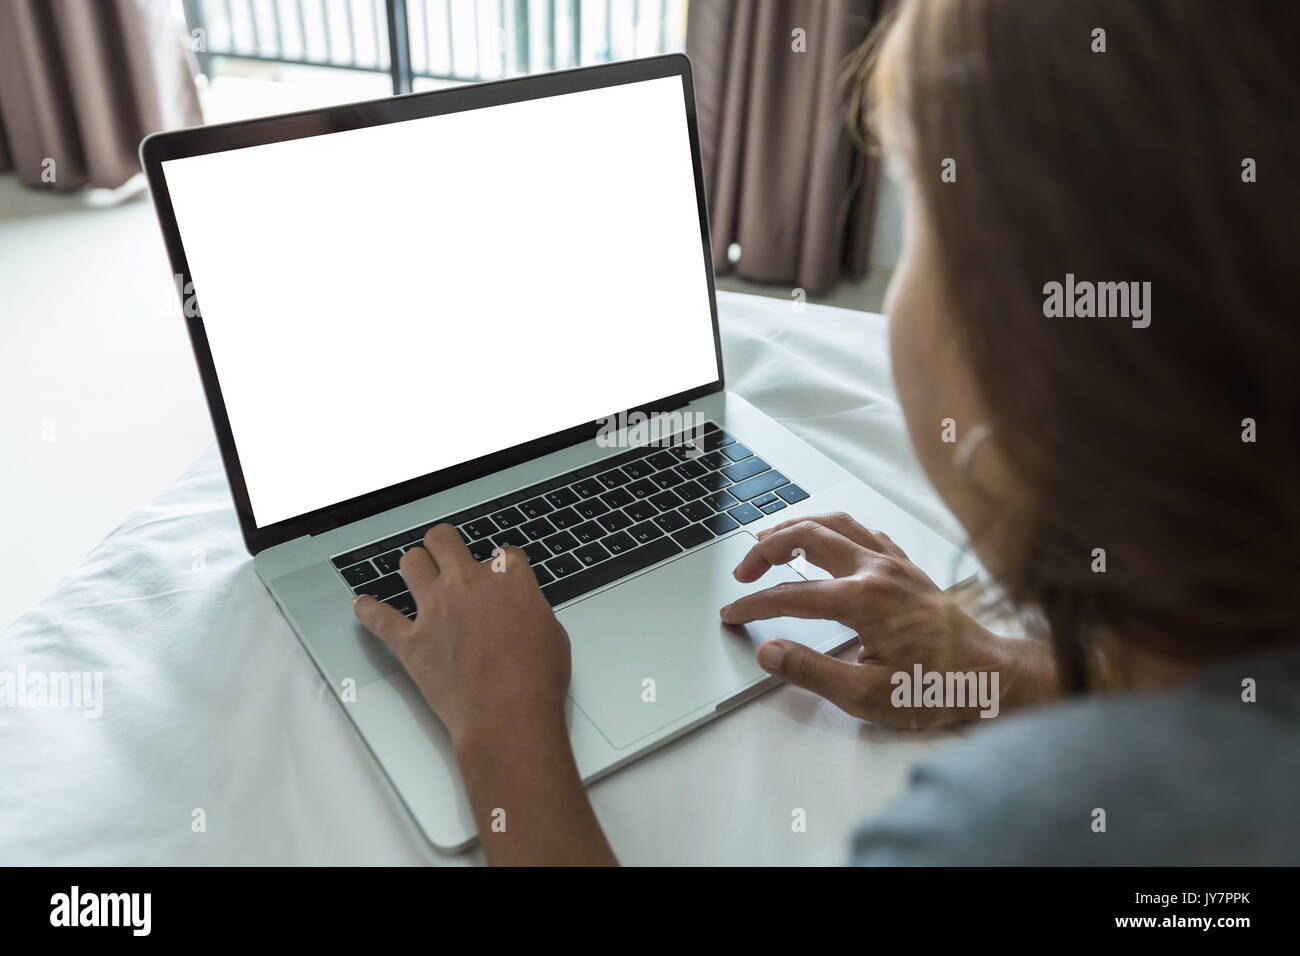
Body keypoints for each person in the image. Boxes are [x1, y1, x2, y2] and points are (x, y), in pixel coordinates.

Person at [351, 0, 1300, 865]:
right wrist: (993, 670)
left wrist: (503, 731)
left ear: (1036, 344)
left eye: (922, 214)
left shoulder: (1003, 831)